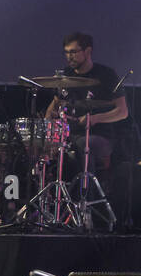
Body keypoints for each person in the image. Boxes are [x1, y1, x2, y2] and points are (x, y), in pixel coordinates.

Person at [45, 31, 130, 173]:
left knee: (83, 144)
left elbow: (123, 112)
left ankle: (86, 194)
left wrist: (95, 118)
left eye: (73, 52)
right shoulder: (66, 76)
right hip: (70, 134)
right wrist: (49, 126)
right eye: (66, 53)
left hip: (101, 136)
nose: (69, 57)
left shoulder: (106, 75)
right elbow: (53, 107)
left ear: (88, 51)